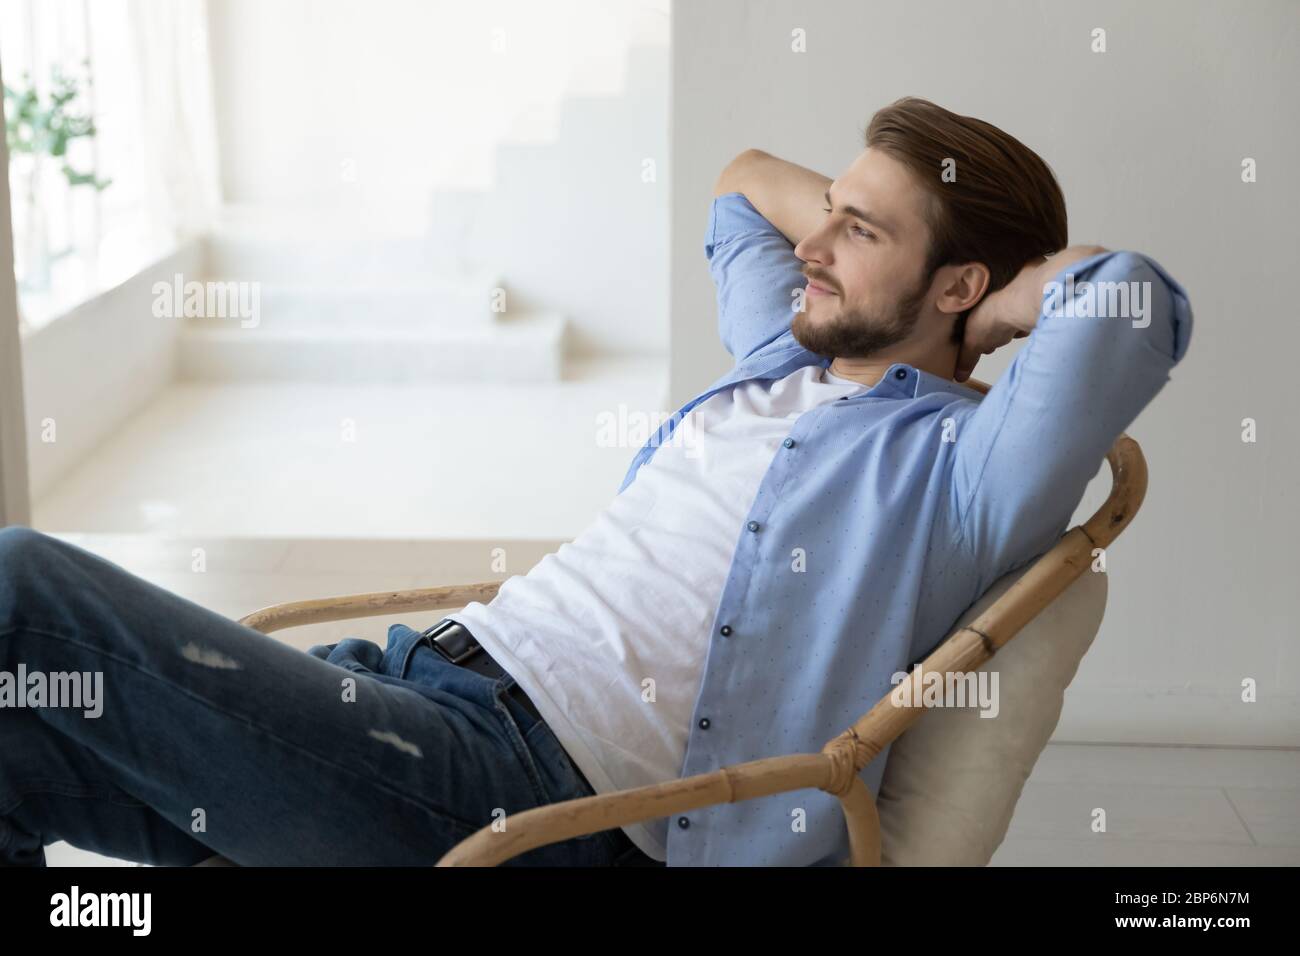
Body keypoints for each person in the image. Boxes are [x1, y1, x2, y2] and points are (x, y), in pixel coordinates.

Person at [0, 96, 1192, 867]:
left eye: (858, 233)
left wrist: (1004, 305)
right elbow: (737, 180)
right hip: (413, 683)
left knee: (22, 587)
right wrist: (865, 219)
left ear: (959, 286)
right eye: (825, 213)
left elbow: (1136, 303)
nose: (811, 247)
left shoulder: (961, 466)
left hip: (527, 798)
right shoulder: (779, 356)